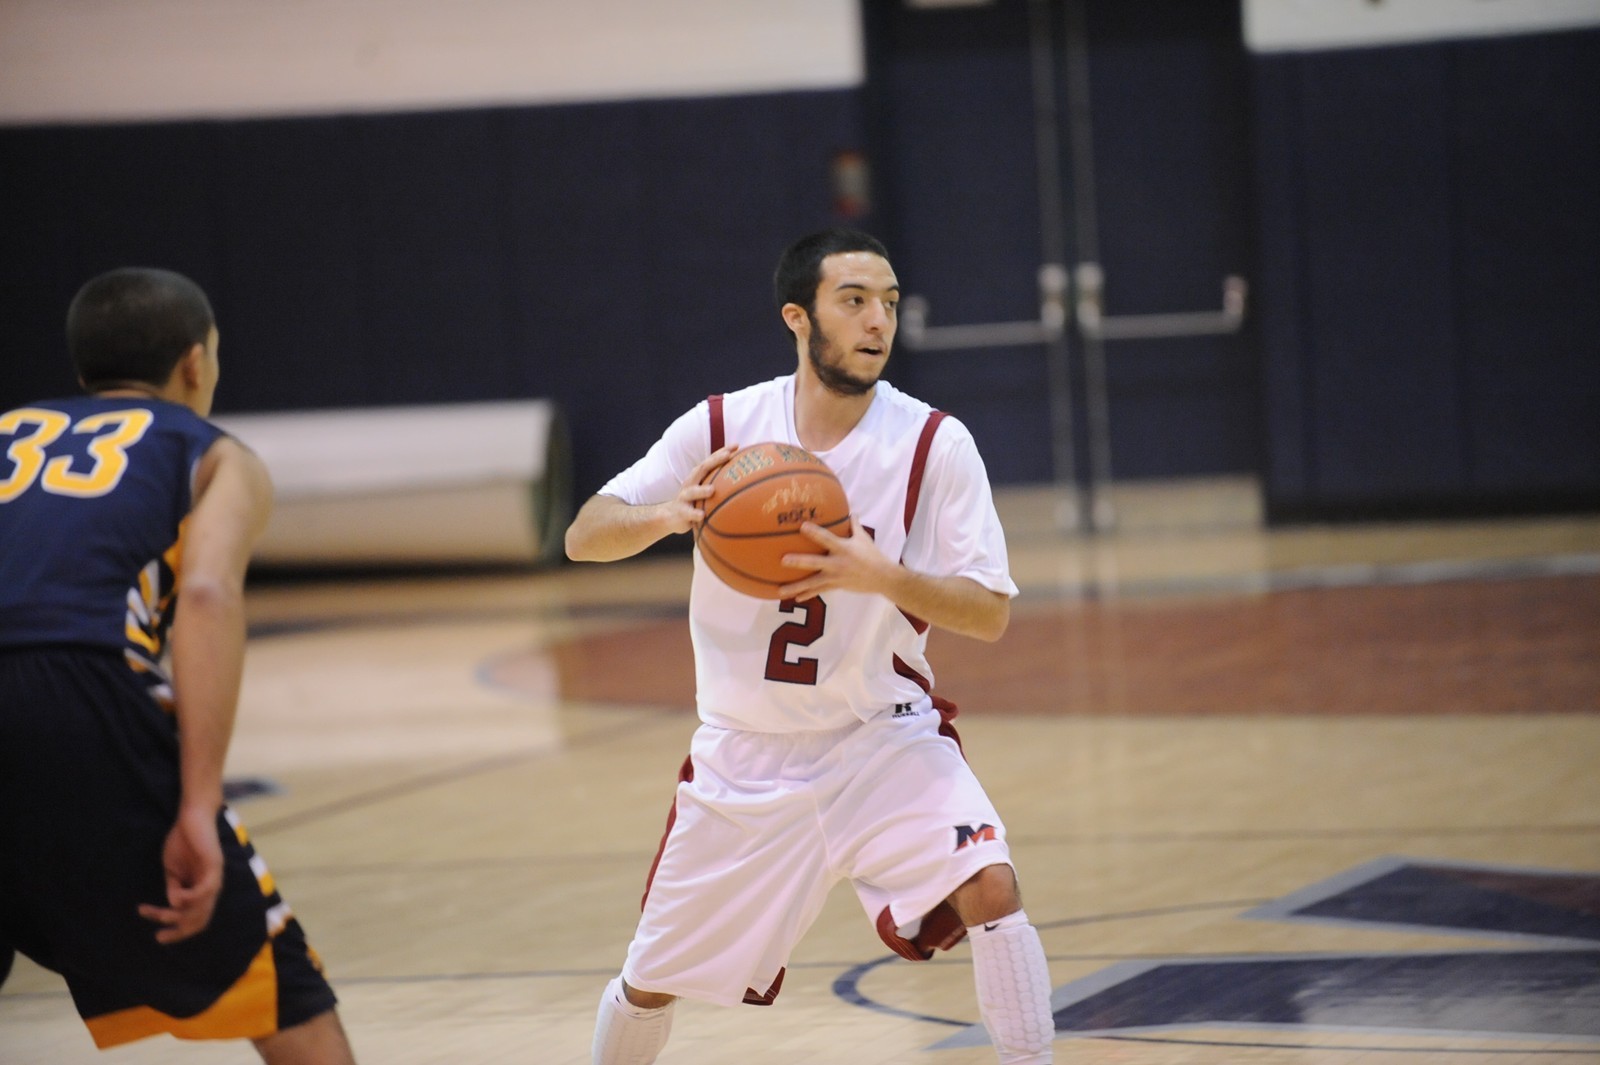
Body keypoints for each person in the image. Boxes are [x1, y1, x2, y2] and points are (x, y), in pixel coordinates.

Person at [566, 228, 1056, 1064]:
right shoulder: (722, 427)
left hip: (882, 736)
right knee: (651, 977)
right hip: (744, 758)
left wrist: (884, 577)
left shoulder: (935, 443)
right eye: (855, 301)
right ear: (799, 317)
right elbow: (584, 534)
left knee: (990, 882)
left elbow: (989, 613)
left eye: (891, 303)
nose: (878, 321)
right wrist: (665, 515)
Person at [0, 268, 357, 1063]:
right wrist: (198, 800)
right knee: (287, 996)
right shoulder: (214, 453)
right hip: (83, 682)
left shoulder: (6, 428)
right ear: (196, 363)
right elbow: (203, 594)